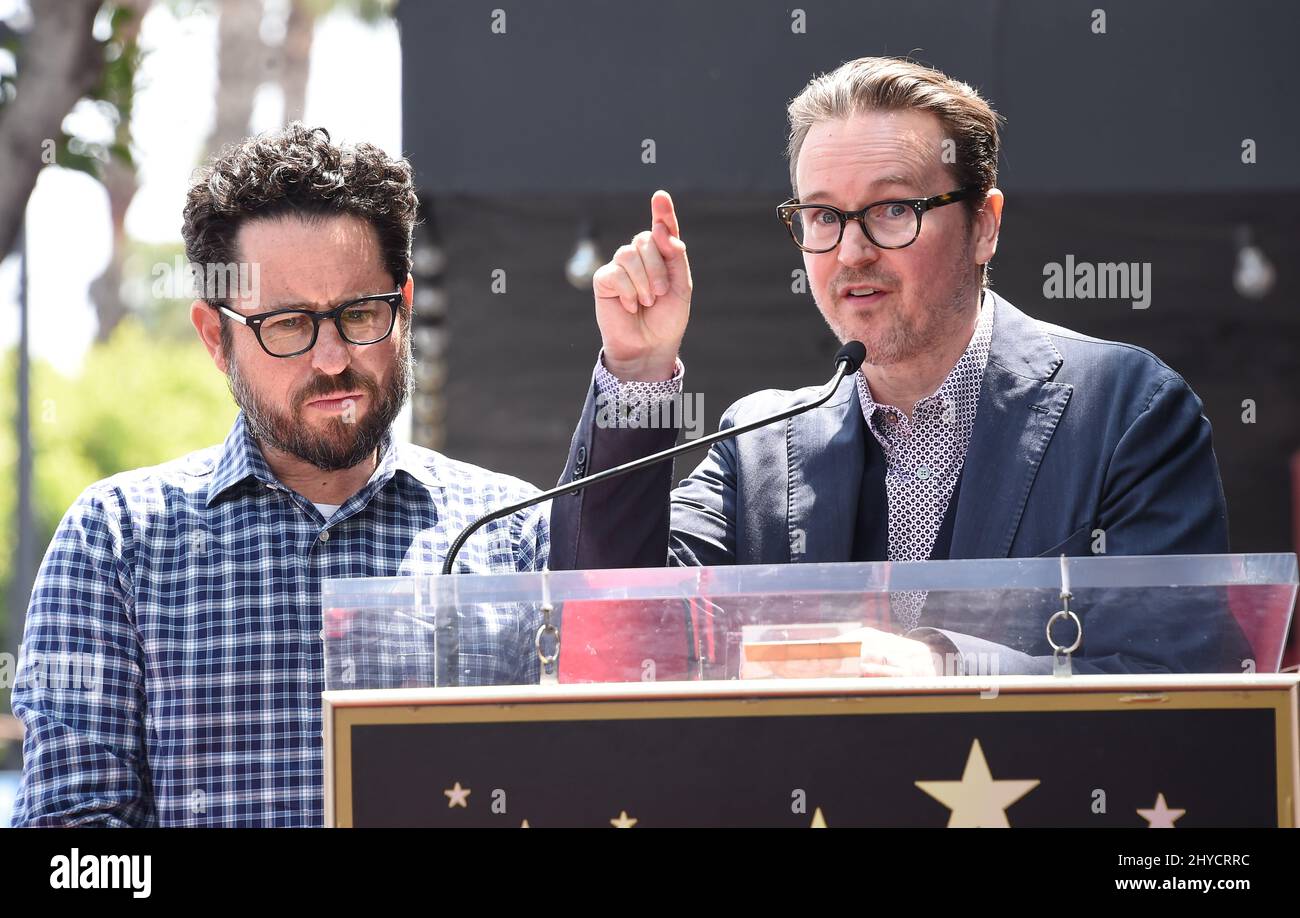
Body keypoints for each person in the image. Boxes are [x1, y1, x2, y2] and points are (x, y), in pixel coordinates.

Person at [549, 57, 1240, 676]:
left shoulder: (1123, 411)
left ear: (985, 224)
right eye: (822, 216)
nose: (851, 252)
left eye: (891, 209)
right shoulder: (760, 444)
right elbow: (611, 626)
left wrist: (943, 666)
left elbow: (1179, 680)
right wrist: (639, 372)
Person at [11, 124, 548, 827]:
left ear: (404, 308)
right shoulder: (116, 544)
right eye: (288, 325)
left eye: (359, 314)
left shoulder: (514, 534)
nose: (331, 360)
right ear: (216, 338)